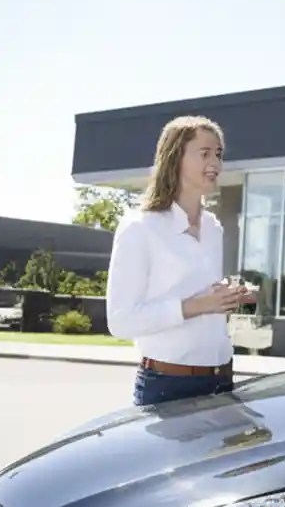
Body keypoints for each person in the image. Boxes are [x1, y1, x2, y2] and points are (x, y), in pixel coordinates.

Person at [106, 115, 251, 407]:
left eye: (219, 154)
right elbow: (120, 320)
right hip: (169, 386)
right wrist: (199, 306)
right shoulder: (140, 227)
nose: (216, 163)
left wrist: (226, 297)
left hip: (222, 379)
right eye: (205, 153)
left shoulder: (213, 227)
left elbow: (198, 290)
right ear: (176, 158)